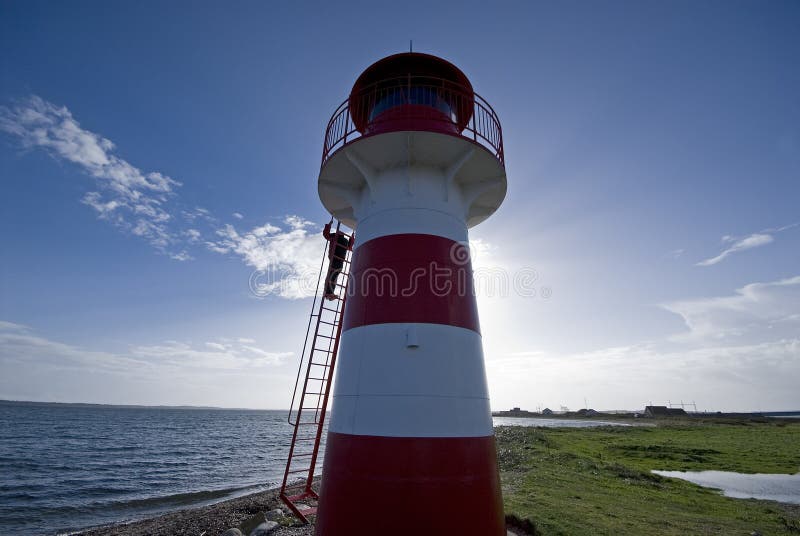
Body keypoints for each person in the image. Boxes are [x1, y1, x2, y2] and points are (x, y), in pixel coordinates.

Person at [322, 223, 351, 300]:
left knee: (332, 276)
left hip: (336, 259)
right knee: (333, 276)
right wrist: (352, 238)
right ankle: (329, 293)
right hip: (339, 260)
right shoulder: (344, 240)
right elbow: (350, 247)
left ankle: (329, 293)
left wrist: (328, 225)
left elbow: (326, 235)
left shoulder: (335, 236)